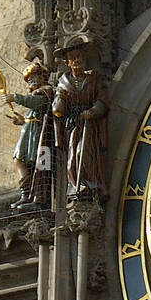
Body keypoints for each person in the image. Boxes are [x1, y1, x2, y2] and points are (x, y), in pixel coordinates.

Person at [52, 36, 109, 201]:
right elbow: (57, 111)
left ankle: (90, 183)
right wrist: (61, 98)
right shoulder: (63, 83)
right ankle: (77, 184)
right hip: (73, 124)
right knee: (73, 156)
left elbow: (102, 100)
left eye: (79, 57)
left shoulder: (93, 78)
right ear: (68, 63)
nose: (76, 60)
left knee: (84, 153)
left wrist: (93, 111)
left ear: (83, 59)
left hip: (90, 124)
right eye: (72, 58)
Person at [5, 60, 54, 209]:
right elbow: (34, 115)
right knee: (21, 161)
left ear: (42, 77)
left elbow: (39, 104)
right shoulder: (37, 94)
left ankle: (32, 196)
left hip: (38, 137)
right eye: (28, 80)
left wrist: (15, 97)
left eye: (33, 78)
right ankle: (26, 195)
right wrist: (22, 120)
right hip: (30, 133)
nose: (30, 82)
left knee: (31, 163)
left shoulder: (45, 92)